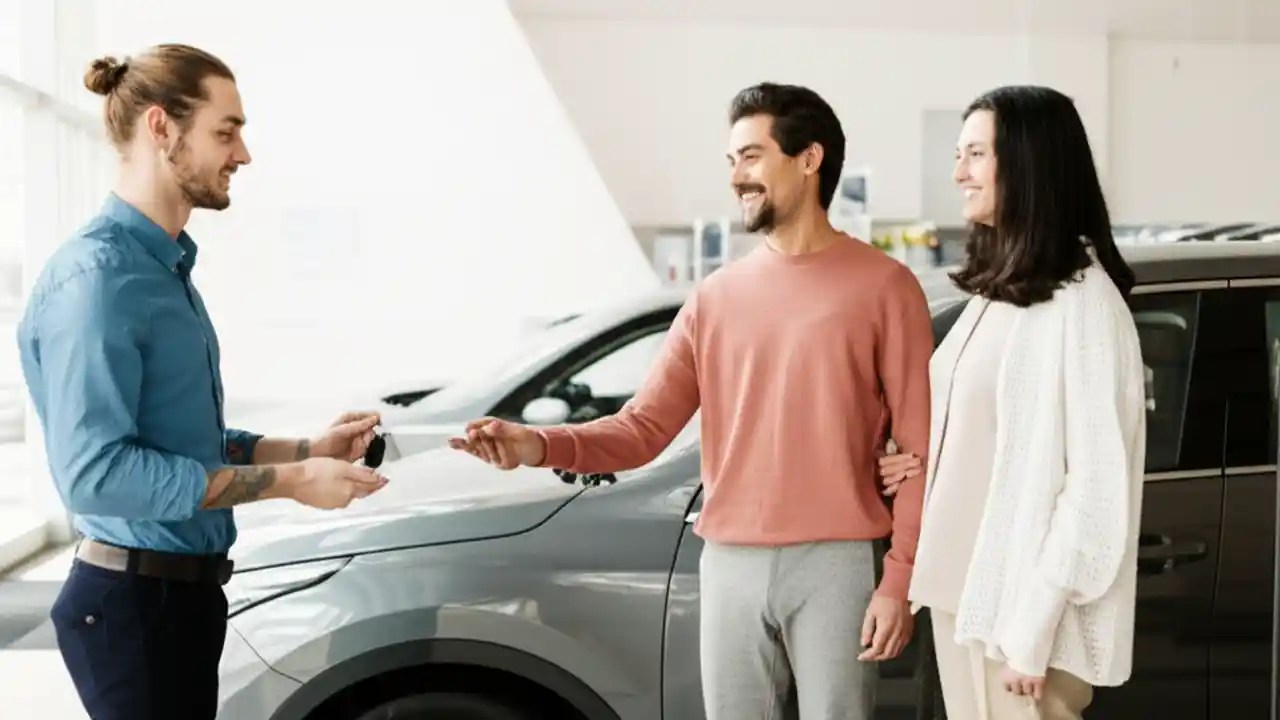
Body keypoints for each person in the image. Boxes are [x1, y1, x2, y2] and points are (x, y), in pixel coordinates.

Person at [450, 82, 934, 719]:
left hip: (838, 564)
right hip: (729, 563)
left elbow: (920, 450)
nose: (736, 177)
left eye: (751, 156)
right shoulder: (714, 298)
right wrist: (536, 444)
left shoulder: (886, 287)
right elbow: (642, 429)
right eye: (731, 160)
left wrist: (898, 580)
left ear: (809, 159)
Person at [16, 44, 389, 720]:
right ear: (162, 127)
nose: (242, 154)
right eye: (226, 131)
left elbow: (182, 440)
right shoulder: (98, 281)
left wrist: (306, 451)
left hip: (177, 600)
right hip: (134, 609)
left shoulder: (162, 271)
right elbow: (97, 475)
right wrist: (291, 483)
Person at [878, 85, 1146, 720]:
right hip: (964, 596)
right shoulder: (998, 295)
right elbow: (980, 430)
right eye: (959, 154)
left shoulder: (1084, 305)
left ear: (1029, 164)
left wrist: (1032, 630)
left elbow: (1096, 491)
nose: (959, 172)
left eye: (976, 154)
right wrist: (913, 461)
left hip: (1022, 624)